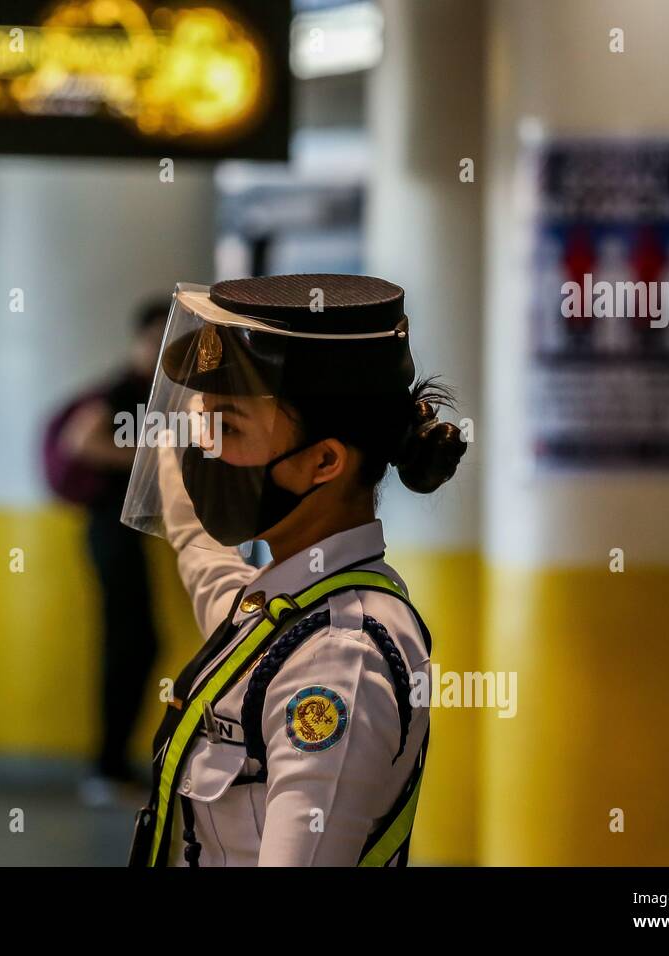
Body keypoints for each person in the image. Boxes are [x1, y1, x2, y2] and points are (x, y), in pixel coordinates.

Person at [123, 274, 466, 866]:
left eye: (226, 427)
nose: (202, 448)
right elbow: (208, 565)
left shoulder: (340, 658)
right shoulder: (284, 610)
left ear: (324, 462)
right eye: (201, 423)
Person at [52, 301, 168, 803]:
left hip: (123, 533)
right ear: (141, 340)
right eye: (159, 339)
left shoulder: (150, 391)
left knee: (137, 640)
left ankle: (112, 763)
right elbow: (81, 442)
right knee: (131, 641)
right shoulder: (124, 388)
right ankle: (106, 766)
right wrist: (149, 464)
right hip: (109, 530)